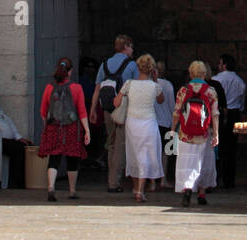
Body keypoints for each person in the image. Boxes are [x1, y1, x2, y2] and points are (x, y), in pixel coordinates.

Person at [89, 34, 139, 192]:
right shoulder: (131, 66)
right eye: (131, 47)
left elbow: (97, 88)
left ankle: (111, 178)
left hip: (107, 109)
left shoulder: (104, 64)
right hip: (123, 110)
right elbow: (137, 88)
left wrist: (93, 109)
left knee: (110, 144)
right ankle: (114, 182)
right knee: (121, 145)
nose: (132, 50)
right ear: (126, 46)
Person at [113, 53, 165, 202]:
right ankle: (140, 190)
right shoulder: (155, 86)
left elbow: (116, 103)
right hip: (149, 122)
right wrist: (155, 80)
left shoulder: (129, 84)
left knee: (134, 154)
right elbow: (161, 100)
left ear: (138, 67)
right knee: (146, 154)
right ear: (152, 69)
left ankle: (137, 188)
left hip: (132, 122)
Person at [38, 58, 90, 201]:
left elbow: (43, 111)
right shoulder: (77, 88)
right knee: (72, 158)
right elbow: (82, 112)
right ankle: (72, 191)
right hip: (71, 128)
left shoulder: (49, 88)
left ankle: (51, 187)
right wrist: (87, 131)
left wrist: (46, 127)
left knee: (54, 158)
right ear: (70, 71)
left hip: (54, 127)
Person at [171, 61, 219, 207]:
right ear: (204, 74)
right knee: (203, 162)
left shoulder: (183, 90)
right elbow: (215, 114)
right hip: (203, 134)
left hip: (185, 134)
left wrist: (172, 130)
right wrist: (216, 134)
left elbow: (177, 113)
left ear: (190, 74)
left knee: (186, 162)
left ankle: (187, 189)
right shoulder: (210, 91)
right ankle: (202, 193)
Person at [0, 86, 29, 189]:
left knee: (25, 146)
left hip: (8, 139)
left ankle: (21, 182)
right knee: (17, 149)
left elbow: (9, 122)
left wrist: (18, 137)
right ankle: (14, 184)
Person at [214, 54, 246, 188]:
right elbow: (242, 101)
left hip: (220, 112)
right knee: (231, 148)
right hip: (234, 113)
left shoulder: (216, 80)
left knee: (217, 146)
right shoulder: (240, 81)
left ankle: (215, 177)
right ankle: (229, 180)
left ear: (224, 65)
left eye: (220, 63)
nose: (218, 66)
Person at [153, 60, 176, 189]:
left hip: (153, 122)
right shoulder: (168, 84)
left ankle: (151, 181)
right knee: (167, 152)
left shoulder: (150, 84)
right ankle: (163, 179)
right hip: (167, 122)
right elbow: (173, 105)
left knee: (153, 151)